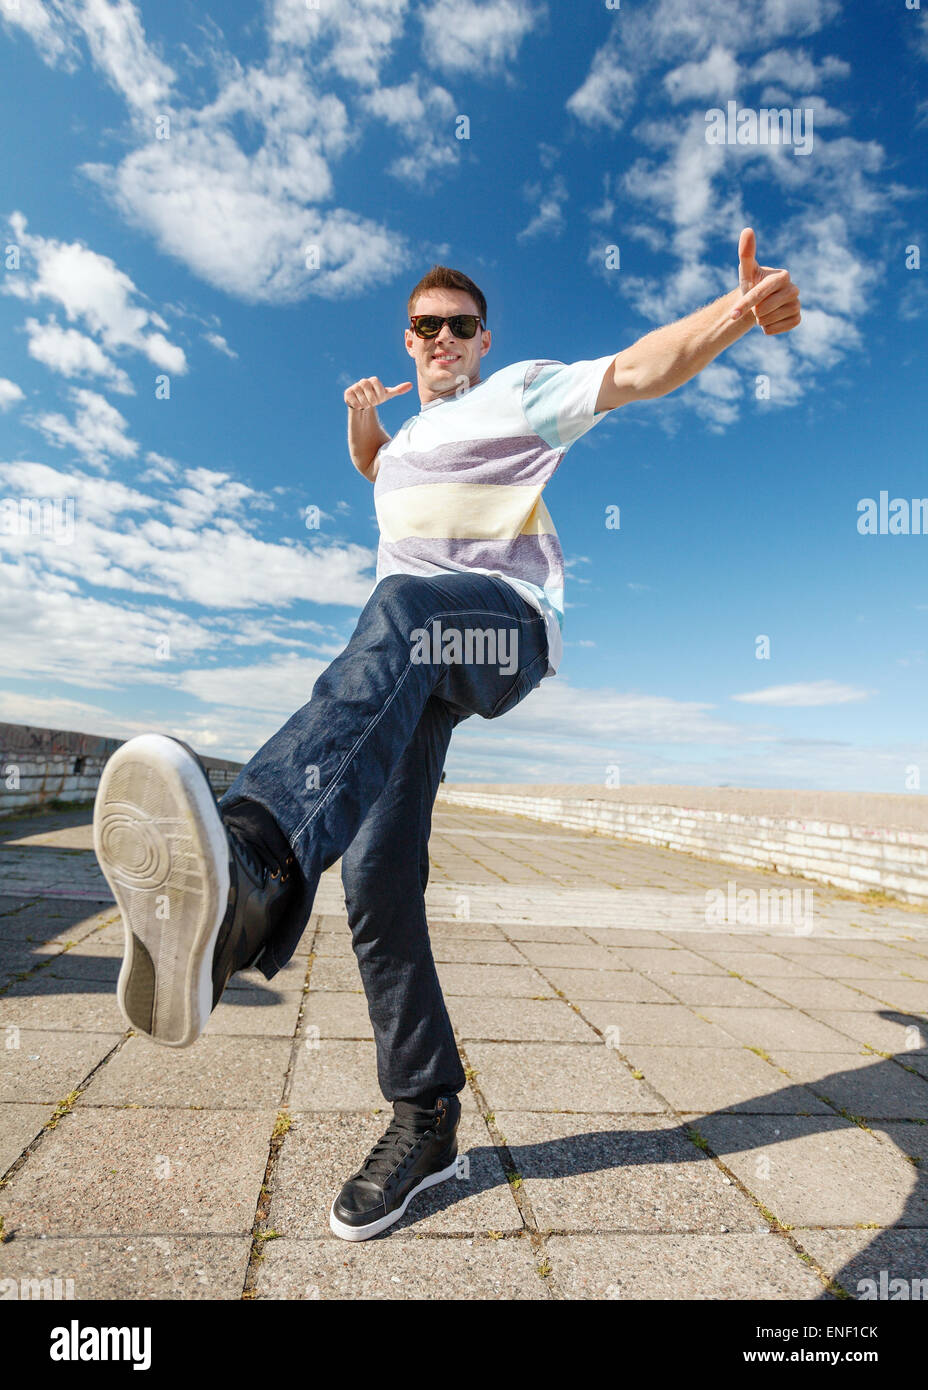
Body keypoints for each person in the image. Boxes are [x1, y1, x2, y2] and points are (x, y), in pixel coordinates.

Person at [93, 230, 800, 1241]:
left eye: (458, 326)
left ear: (480, 340)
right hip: (402, 673)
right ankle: (423, 1114)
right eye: (424, 326)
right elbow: (380, 468)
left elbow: (641, 371)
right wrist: (358, 424)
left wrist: (732, 315)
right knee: (375, 879)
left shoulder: (516, 394)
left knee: (407, 606)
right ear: (408, 338)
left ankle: (251, 857)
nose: (441, 339)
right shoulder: (401, 451)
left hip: (492, 625)